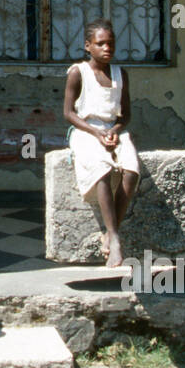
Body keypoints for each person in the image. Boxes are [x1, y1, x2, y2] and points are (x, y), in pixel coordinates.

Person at [62, 18, 140, 266]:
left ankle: (109, 231)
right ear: (88, 46)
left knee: (131, 171)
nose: (107, 48)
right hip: (85, 131)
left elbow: (125, 114)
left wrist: (115, 130)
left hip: (111, 130)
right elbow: (69, 113)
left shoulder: (120, 74)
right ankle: (115, 238)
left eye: (111, 43)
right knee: (102, 170)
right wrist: (96, 134)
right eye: (101, 43)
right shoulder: (78, 72)